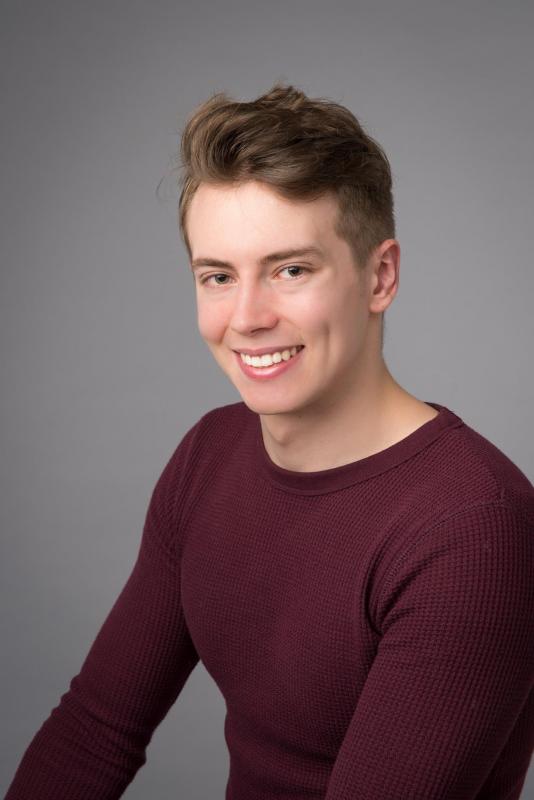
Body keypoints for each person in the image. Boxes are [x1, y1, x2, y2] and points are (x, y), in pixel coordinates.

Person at [5, 82, 534, 800]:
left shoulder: (474, 529)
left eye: (291, 270)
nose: (247, 317)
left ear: (380, 276)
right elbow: (95, 730)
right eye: (218, 276)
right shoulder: (208, 456)